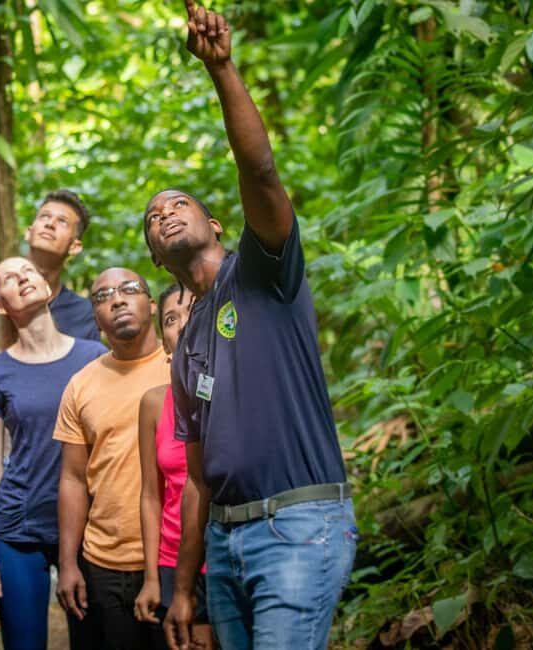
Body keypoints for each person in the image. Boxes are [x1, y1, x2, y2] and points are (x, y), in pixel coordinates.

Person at [143, 3, 356, 649]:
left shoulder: (263, 274)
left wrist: (221, 68)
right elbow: (200, 478)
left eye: (180, 204)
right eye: (153, 216)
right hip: (227, 546)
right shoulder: (183, 349)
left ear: (215, 225)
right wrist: (185, 587)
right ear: (154, 255)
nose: (166, 214)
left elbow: (260, 171)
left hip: (298, 525)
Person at [0, 257, 106, 650]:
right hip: (19, 529)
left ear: (47, 286)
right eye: (9, 279)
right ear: (1, 304)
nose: (22, 278)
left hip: (88, 529)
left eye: (28, 271)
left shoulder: (95, 356)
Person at [54, 268, 170, 650]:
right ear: (96, 318)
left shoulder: (181, 369)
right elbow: (72, 478)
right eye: (102, 296)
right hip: (104, 563)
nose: (117, 299)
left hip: (175, 559)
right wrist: (68, 563)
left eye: (129, 289)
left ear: (152, 304)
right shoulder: (81, 383)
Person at [0, 190, 100, 382]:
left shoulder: (84, 313)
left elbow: (93, 382)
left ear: (75, 246)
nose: (50, 224)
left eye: (62, 221)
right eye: (44, 216)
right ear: (29, 231)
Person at [134, 285, 215, 650]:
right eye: (170, 319)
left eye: (192, 310)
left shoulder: (238, 392)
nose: (182, 324)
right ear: (165, 343)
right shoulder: (153, 403)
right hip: (173, 560)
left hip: (226, 555)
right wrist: (151, 577)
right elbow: (151, 495)